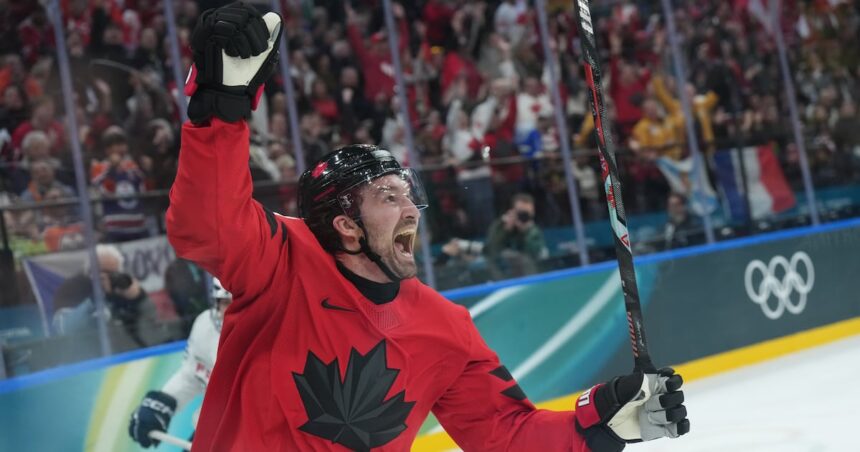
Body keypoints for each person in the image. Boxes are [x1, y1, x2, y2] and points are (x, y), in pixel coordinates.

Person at [167, 4, 689, 451]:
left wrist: (597, 423)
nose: (411, 209)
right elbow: (206, 225)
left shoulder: (445, 327)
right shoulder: (281, 260)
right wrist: (220, 109)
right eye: (387, 197)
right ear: (346, 225)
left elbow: (507, 433)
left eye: (407, 193)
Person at [128, 278, 233, 450]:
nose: (232, 311)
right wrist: (162, 404)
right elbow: (193, 375)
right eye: (226, 303)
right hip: (219, 428)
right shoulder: (205, 326)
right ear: (216, 302)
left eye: (240, 303)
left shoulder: (271, 339)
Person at [52, 244, 176, 350]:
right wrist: (94, 299)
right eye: (103, 272)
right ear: (90, 271)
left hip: (130, 352)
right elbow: (64, 328)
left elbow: (151, 322)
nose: (109, 278)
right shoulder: (73, 287)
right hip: (89, 356)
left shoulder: (121, 287)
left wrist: (139, 298)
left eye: (114, 273)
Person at [483, 193, 548, 280]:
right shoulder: (500, 226)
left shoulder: (533, 230)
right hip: (503, 273)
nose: (524, 216)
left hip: (529, 274)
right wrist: (506, 230)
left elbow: (537, 253)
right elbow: (490, 250)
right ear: (512, 211)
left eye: (527, 213)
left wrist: (525, 232)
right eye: (521, 212)